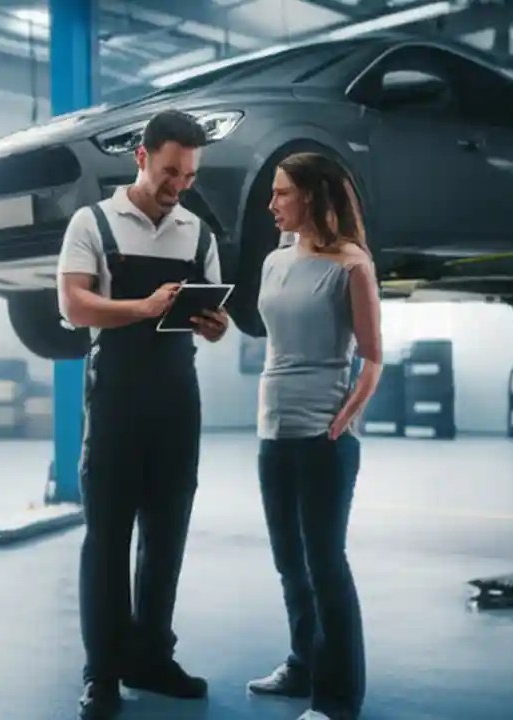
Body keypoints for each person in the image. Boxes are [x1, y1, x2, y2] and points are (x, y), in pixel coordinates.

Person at [56, 109, 231, 720]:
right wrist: (143, 307)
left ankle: (152, 659)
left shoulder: (199, 234)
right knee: (107, 539)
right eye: (169, 172)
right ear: (141, 157)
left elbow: (211, 321)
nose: (178, 186)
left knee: (166, 537)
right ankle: (102, 674)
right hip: (115, 400)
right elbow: (74, 306)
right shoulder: (93, 222)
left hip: (177, 401)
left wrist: (214, 325)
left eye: (189, 175)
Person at [246, 152, 382, 720]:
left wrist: (344, 419)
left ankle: (337, 700)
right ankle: (302, 665)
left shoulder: (351, 264)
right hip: (273, 431)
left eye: (281, 193)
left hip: (322, 437)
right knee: (290, 562)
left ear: (311, 196)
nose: (271, 203)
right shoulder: (275, 261)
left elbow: (373, 358)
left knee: (325, 565)